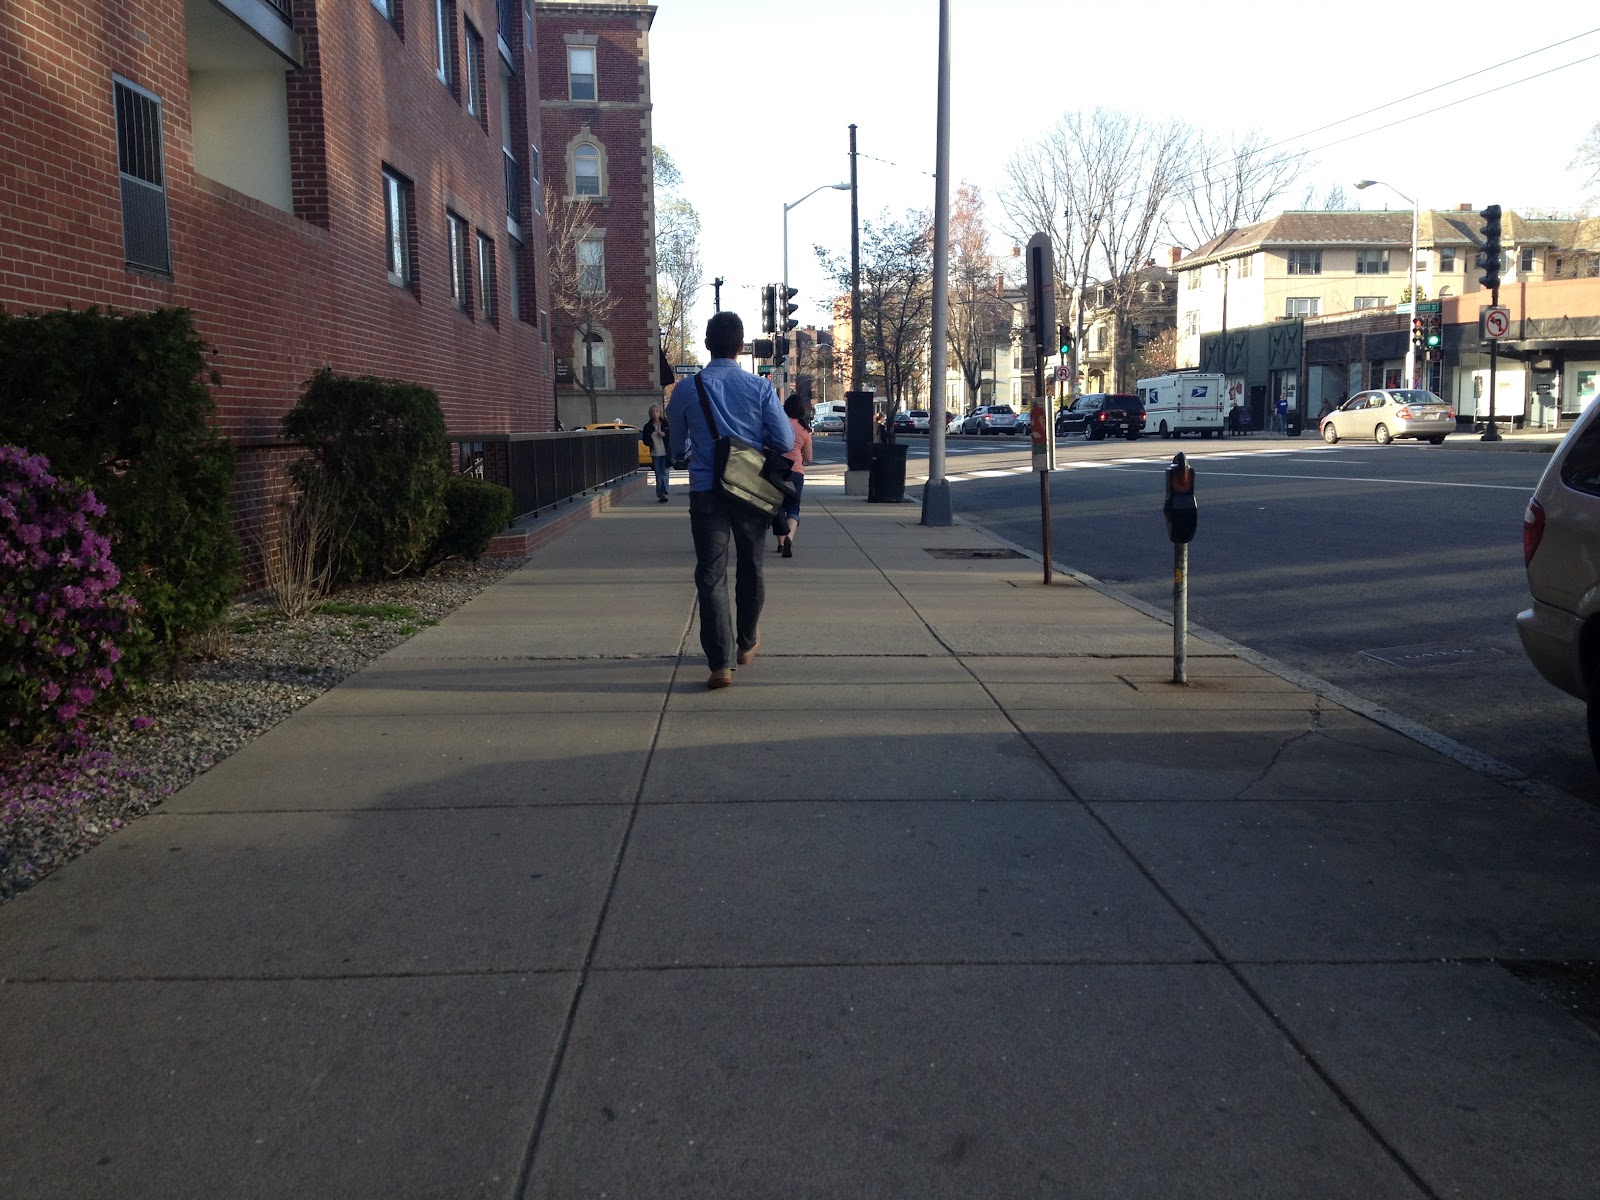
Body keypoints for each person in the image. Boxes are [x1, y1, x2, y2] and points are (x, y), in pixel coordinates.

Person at [667, 311, 793, 690]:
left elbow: (676, 446)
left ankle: (720, 663)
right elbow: (785, 441)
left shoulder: (688, 389)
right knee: (751, 566)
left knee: (711, 572)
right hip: (750, 490)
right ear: (741, 347)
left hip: (707, 492)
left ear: (707, 345)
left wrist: (691, 451)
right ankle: (747, 642)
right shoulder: (759, 388)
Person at [772, 395, 813, 558]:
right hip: (796, 472)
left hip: (777, 471)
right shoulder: (804, 430)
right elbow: (809, 458)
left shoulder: (778, 425)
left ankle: (781, 544)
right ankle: (790, 537)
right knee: (793, 508)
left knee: (777, 507)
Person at [641, 403, 671, 502]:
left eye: (657, 411)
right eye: (653, 412)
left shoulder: (666, 424)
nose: (655, 414)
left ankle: (664, 492)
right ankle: (660, 493)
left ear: (660, 413)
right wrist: (650, 441)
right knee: (658, 474)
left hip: (666, 452)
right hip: (655, 453)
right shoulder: (648, 426)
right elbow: (645, 440)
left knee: (665, 473)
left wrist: (664, 434)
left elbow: (671, 436)